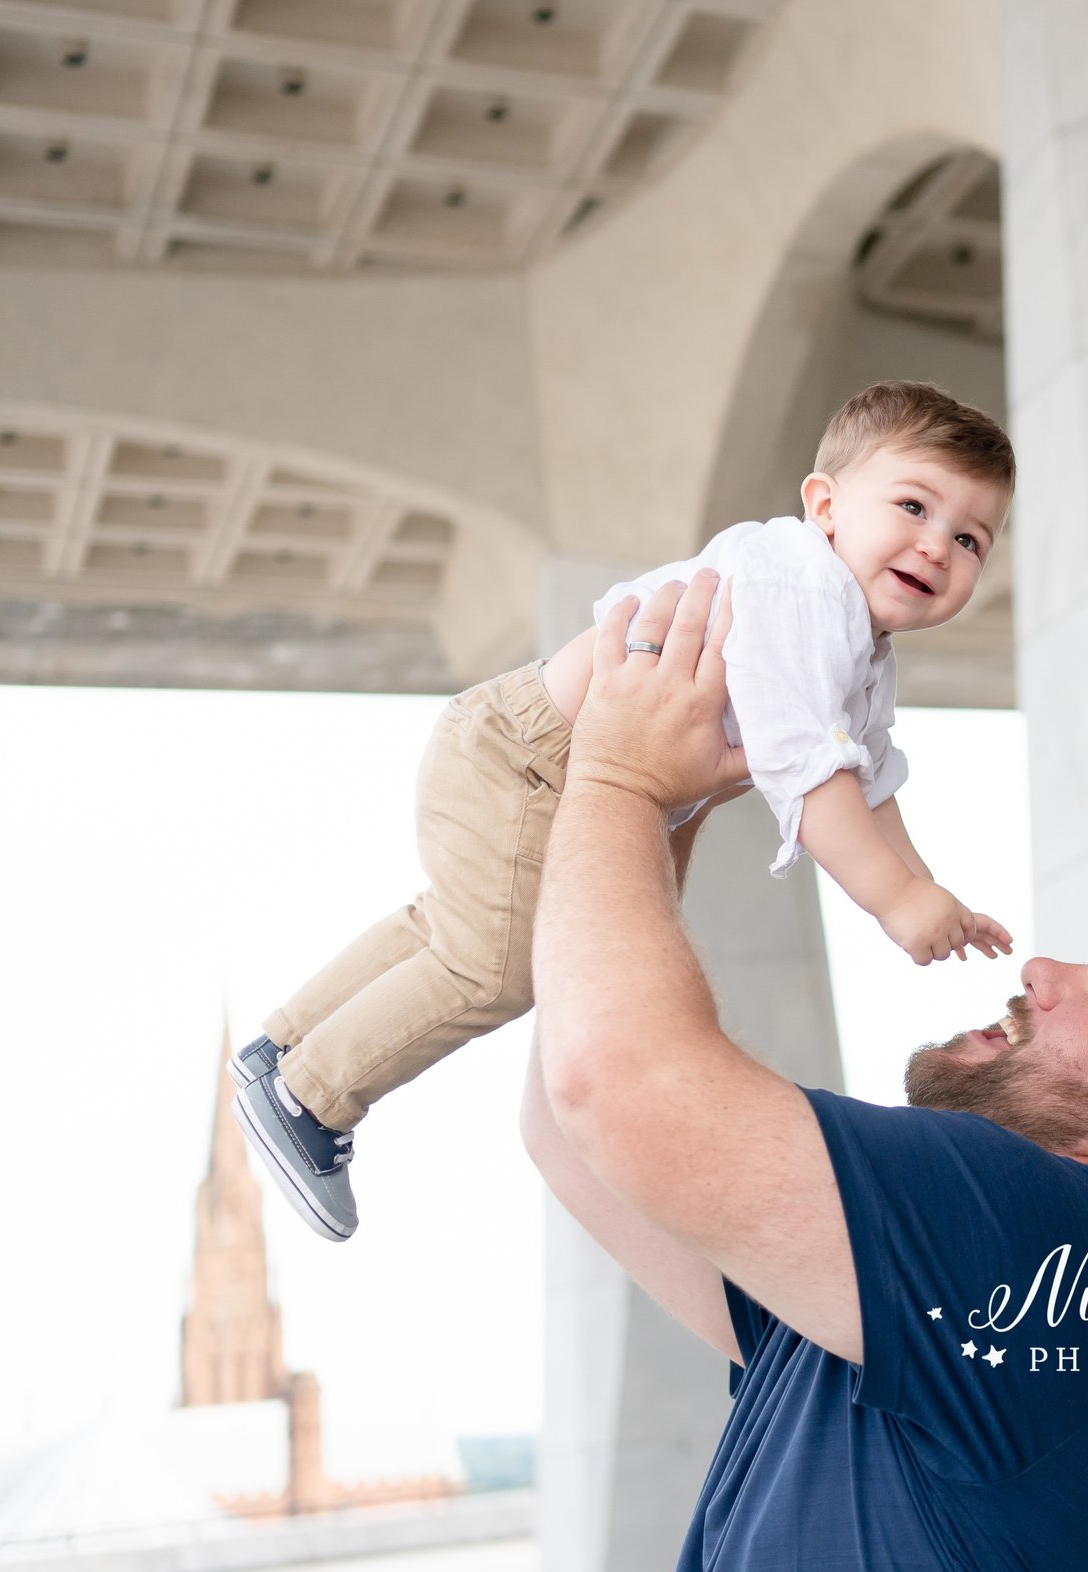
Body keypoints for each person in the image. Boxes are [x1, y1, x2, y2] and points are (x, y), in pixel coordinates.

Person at [526, 569, 1088, 1572]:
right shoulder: (940, 1298)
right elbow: (579, 1135)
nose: (1040, 968)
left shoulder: (1061, 1238)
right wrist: (675, 802)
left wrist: (618, 770)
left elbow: (610, 1084)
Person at [226, 381, 1016, 1242]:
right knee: (501, 967)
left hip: (523, 752)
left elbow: (867, 779)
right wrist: (896, 902)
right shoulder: (803, 590)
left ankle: (282, 1047)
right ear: (824, 505)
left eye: (970, 537)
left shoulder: (861, 646)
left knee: (447, 931)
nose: (937, 546)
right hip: (534, 759)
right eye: (913, 506)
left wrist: (929, 890)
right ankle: (311, 1097)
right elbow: (805, 770)